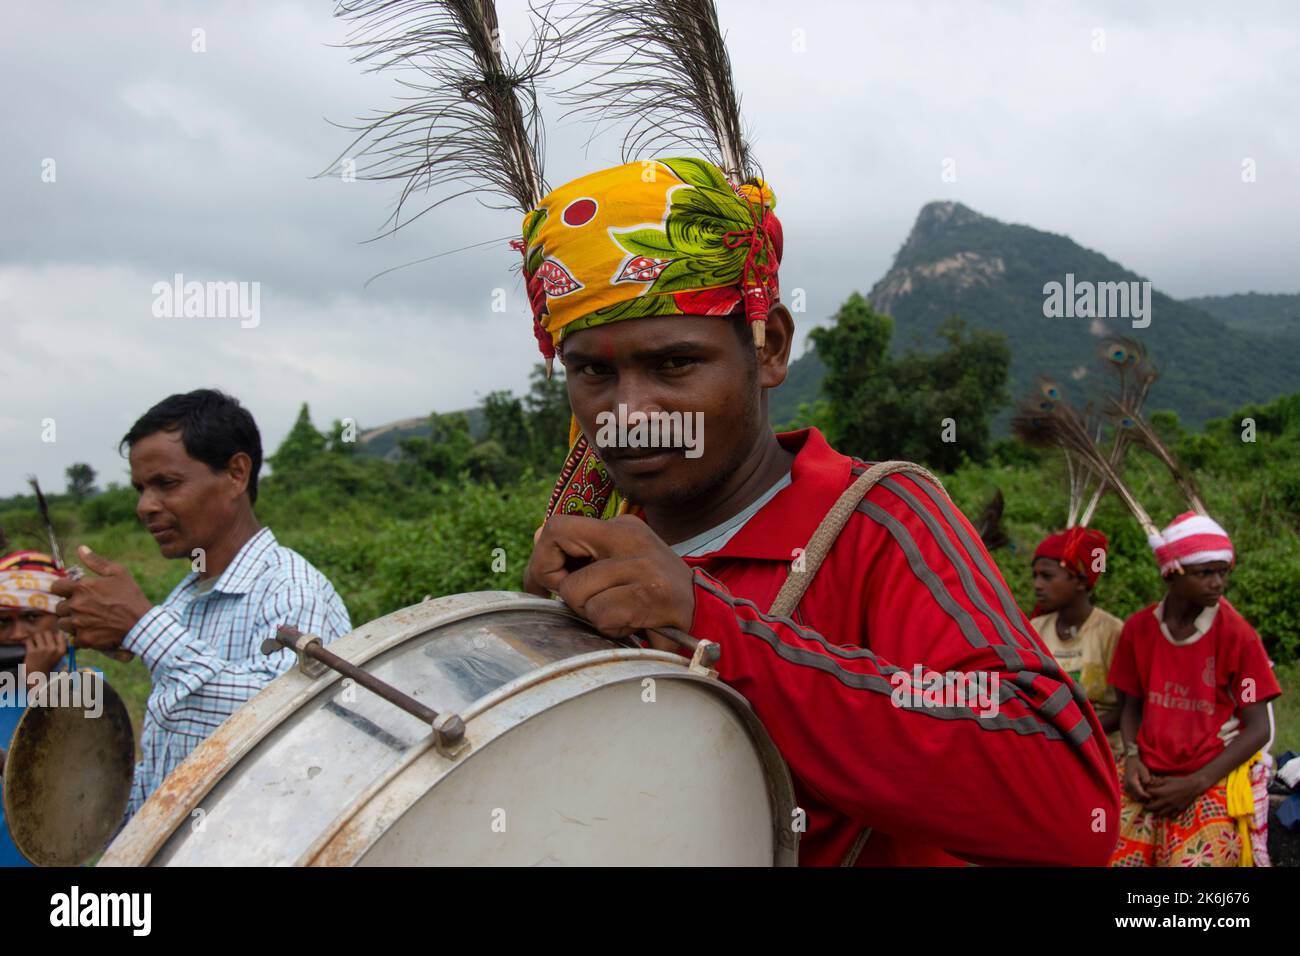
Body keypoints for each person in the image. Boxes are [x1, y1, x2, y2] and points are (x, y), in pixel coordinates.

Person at [515, 157, 1121, 866]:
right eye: (593, 371)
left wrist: (713, 629)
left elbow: (1070, 802)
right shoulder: (591, 559)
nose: (629, 413)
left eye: (675, 364)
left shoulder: (879, 521)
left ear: (769, 347)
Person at [51, 390, 352, 816]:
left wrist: (142, 628)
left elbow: (288, 725)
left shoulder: (290, 588)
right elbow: (175, 763)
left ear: (235, 474)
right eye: (139, 489)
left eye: (166, 485)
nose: (144, 506)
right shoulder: (186, 600)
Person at [1108, 512, 1282, 866]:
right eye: (1205, 573)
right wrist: (1133, 757)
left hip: (1210, 771)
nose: (1217, 583)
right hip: (1148, 769)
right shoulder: (1139, 630)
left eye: (1223, 572)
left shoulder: (1238, 636)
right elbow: (1131, 707)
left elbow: (1259, 728)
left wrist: (1197, 782)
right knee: (1100, 844)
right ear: (1172, 573)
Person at [0, 550, 71, 866]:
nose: (17, 635)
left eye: (32, 618)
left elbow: (70, 767)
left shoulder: (86, 685)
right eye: (3, 622)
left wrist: (38, 684)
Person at [1030, 527, 1125, 757]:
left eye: (1047, 576)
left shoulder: (1112, 632)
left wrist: (1076, 733)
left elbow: (1125, 709)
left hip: (1102, 749)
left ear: (1081, 581)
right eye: (1035, 576)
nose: (1037, 585)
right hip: (1048, 743)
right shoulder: (1035, 629)